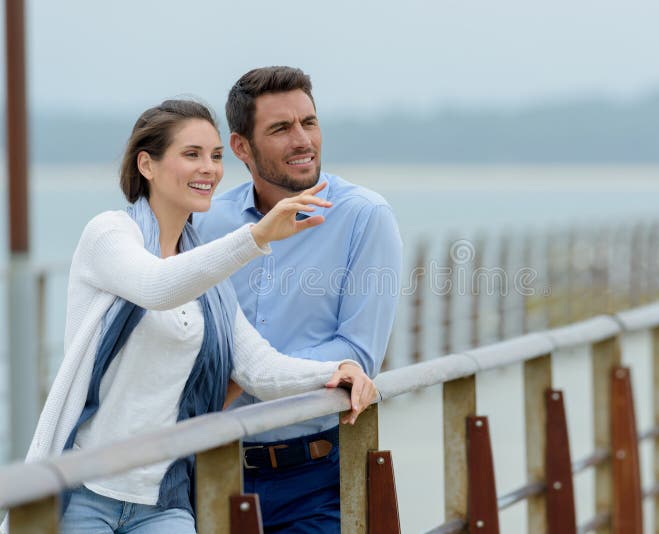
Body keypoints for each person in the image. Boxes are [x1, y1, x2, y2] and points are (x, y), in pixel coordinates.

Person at [1, 99, 376, 534]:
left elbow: (257, 367)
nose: (210, 169)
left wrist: (338, 371)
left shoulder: (205, 270)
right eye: (192, 154)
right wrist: (255, 237)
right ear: (147, 164)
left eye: (216, 156)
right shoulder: (109, 234)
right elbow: (156, 287)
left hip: (164, 500)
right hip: (85, 494)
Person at [193, 66, 402, 531]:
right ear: (241, 147)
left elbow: (358, 353)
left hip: (315, 479)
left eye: (309, 122)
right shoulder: (207, 223)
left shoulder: (365, 218)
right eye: (281, 128)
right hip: (209, 469)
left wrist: (244, 379)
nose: (302, 139)